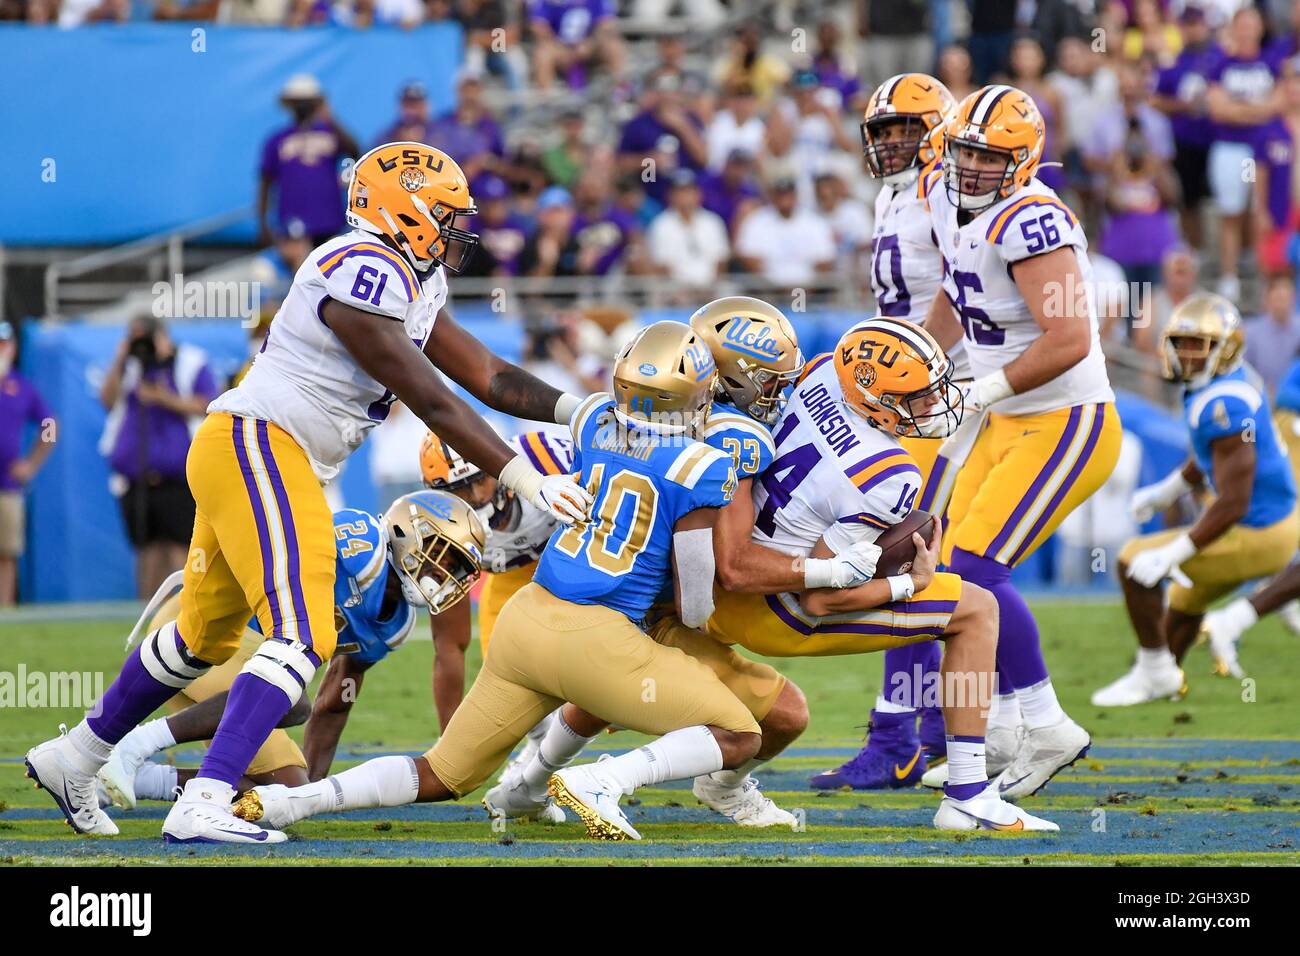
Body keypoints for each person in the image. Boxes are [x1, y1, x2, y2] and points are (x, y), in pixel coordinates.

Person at [25, 142, 592, 844]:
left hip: (264, 451)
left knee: (204, 637)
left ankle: (75, 755)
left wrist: (578, 411)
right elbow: (434, 401)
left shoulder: (416, 280)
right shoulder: (357, 266)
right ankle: (203, 798)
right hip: (261, 443)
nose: (458, 229)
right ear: (404, 212)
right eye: (445, 214)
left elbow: (488, 374)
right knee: (304, 634)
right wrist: (521, 473)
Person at [232, 321, 763, 842]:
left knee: (442, 773)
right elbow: (694, 605)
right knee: (740, 733)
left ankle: (289, 801)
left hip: (525, 619)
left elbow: (524, 393)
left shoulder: (595, 418)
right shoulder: (706, 465)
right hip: (599, 638)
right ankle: (602, 780)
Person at [703, 318, 1058, 832]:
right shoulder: (889, 475)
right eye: (915, 398)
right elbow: (820, 599)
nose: (931, 406)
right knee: (978, 609)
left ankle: (544, 767)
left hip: (715, 577)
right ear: (873, 396)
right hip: (772, 608)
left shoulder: (821, 372)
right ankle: (967, 795)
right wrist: (906, 584)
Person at [488, 297, 829, 830]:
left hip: (594, 589)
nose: (777, 394)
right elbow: (730, 563)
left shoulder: (637, 409)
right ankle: (619, 782)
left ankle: (528, 783)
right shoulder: (735, 438)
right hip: (655, 603)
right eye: (768, 380)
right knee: (781, 717)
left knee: (596, 700)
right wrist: (832, 573)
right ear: (732, 374)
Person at [923, 85, 1122, 800]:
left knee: (974, 565)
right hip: (1002, 418)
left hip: (1066, 420)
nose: (971, 165)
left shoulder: (1035, 219)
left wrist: (981, 389)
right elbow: (956, 288)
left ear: (1026, 159)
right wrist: (916, 353)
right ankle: (1002, 727)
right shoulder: (945, 200)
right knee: (945, 569)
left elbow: (1070, 337)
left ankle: (1046, 723)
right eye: (965, 150)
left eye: (987, 154)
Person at [96, 492, 482, 810]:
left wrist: (308, 791)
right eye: (443, 555)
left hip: (243, 672)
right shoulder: (362, 544)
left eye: (457, 567)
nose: (445, 574)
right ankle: (133, 744)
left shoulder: (392, 625)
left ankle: (142, 777)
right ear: (406, 532)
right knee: (290, 699)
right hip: (211, 628)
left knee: (276, 791)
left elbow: (336, 702)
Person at [812, 73, 964, 791]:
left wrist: (917, 374)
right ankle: (931, 729)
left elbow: (963, 286)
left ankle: (900, 735)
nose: (895, 141)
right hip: (907, 400)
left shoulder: (943, 184)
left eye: (907, 128)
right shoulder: (893, 190)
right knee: (921, 556)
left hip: (937, 398)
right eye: (884, 131)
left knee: (905, 553)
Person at [1093, 293, 1298, 705]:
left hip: (1259, 531)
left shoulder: (1224, 404)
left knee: (1133, 561)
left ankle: (1154, 672)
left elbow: (1233, 501)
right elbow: (1211, 455)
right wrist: (1168, 490)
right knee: (1185, 601)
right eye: (1182, 343)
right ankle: (1163, 677)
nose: (1187, 354)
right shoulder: (1223, 384)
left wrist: (1174, 553)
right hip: (1273, 520)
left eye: (1198, 345)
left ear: (1225, 347)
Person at [419, 428, 574, 731]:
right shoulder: (441, 529)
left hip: (578, 561)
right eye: (462, 490)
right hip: (510, 581)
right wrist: (448, 745)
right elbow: (450, 645)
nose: (476, 498)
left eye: (480, 480)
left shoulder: (547, 458)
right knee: (507, 681)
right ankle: (538, 746)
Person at [99, 316, 217, 599]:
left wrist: (163, 398)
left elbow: (208, 404)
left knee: (178, 545)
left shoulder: (189, 362)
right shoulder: (131, 366)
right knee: (147, 547)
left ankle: (181, 611)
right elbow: (107, 399)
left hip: (178, 475)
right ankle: (148, 613)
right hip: (136, 476)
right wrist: (120, 359)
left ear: (162, 335)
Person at [257, 74, 360, 247]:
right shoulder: (277, 139)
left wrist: (329, 117)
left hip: (330, 220)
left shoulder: (331, 133)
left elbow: (354, 151)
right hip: (292, 222)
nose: (302, 108)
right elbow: (265, 182)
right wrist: (263, 223)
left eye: (307, 102)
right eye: (298, 103)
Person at [0, 320, 55, 607]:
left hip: (7, 483)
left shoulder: (20, 386)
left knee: (6, 552)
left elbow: (49, 425)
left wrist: (31, 464)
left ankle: (5, 611)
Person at [645, 169, 730, 300]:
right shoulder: (661, 225)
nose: (685, 196)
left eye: (689, 191)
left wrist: (710, 290)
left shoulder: (713, 222)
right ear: (671, 195)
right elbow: (661, 266)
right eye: (680, 191)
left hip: (710, 289)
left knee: (729, 291)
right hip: (675, 292)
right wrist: (683, 292)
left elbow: (721, 261)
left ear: (698, 194)